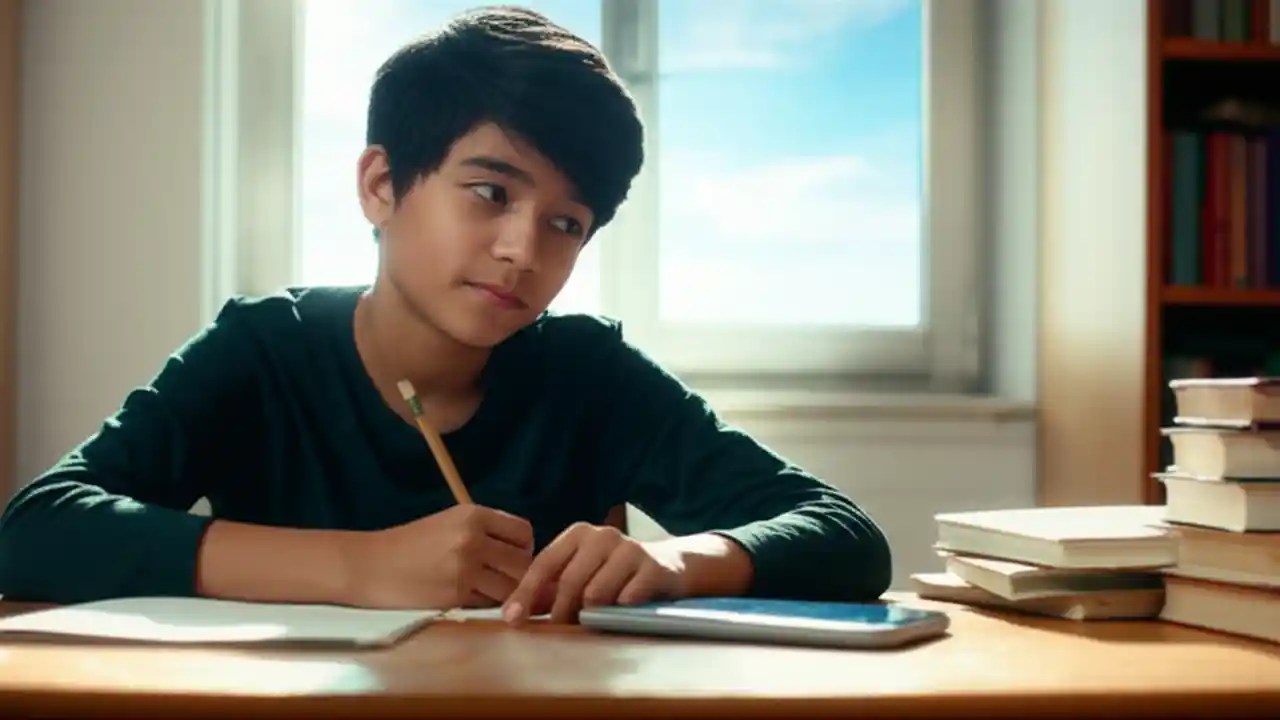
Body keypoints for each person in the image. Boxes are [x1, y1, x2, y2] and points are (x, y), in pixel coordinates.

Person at [0, 5, 891, 624]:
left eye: (565, 223)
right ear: (382, 184)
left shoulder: (588, 374)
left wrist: (677, 561)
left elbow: (846, 538)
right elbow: (36, 531)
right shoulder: (262, 351)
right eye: (489, 192)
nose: (522, 248)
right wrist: (361, 569)